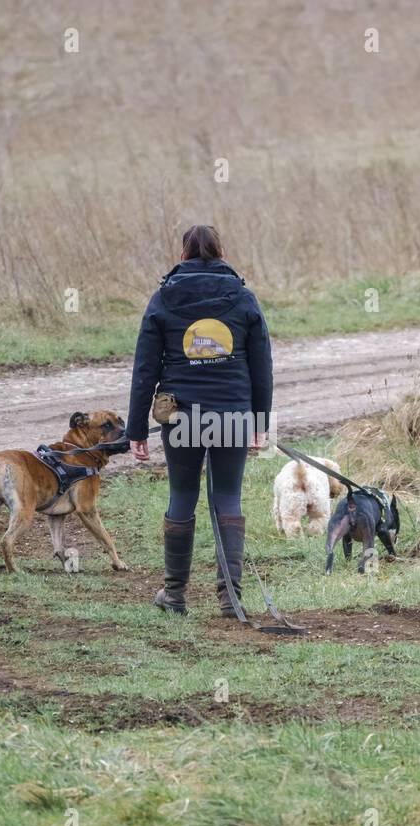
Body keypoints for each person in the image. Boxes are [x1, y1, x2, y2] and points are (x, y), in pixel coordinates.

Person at [126, 225, 273, 616]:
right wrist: (260, 422)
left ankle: (174, 596)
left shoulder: (163, 298)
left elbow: (145, 369)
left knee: (182, 496)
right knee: (228, 497)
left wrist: (136, 428)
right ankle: (230, 600)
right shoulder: (243, 298)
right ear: (220, 251)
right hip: (233, 415)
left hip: (179, 417)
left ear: (183, 253)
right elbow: (262, 367)